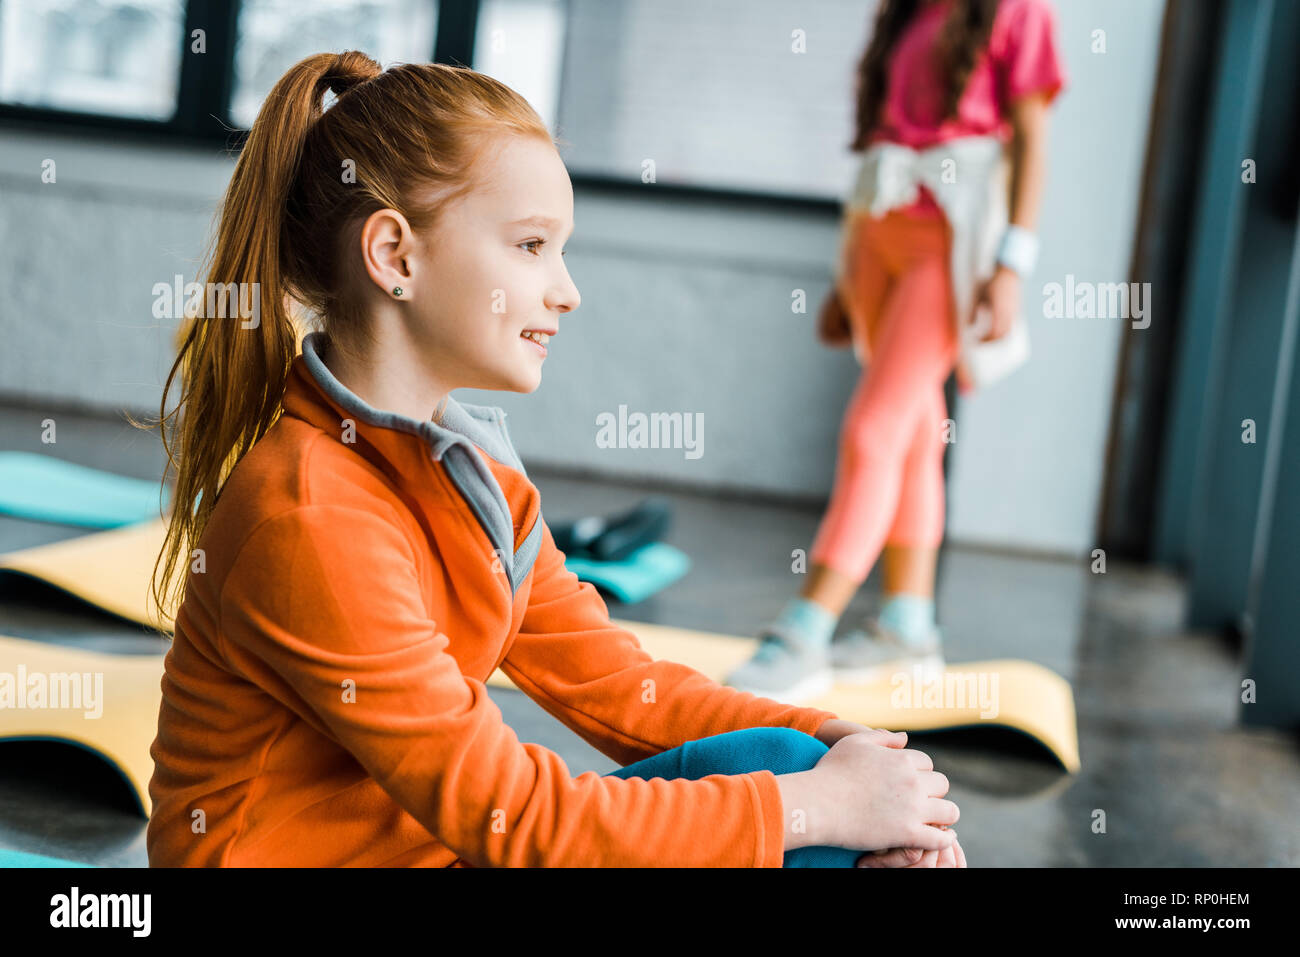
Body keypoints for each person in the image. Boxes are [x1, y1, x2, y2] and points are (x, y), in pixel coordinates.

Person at [144, 51, 963, 867]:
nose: (566, 290)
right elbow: (515, 817)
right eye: (532, 245)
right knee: (802, 804)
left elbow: (620, 687)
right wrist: (821, 808)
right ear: (394, 255)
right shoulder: (309, 518)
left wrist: (842, 751)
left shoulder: (473, 480)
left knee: (802, 777)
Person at [726, 0, 1066, 704]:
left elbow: (1034, 137)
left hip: (947, 242)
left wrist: (1012, 266)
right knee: (912, 434)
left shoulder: (1020, 11)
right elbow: (884, 140)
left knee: (872, 429)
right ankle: (908, 627)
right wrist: (844, 281)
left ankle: (805, 629)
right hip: (878, 233)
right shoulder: (908, 8)